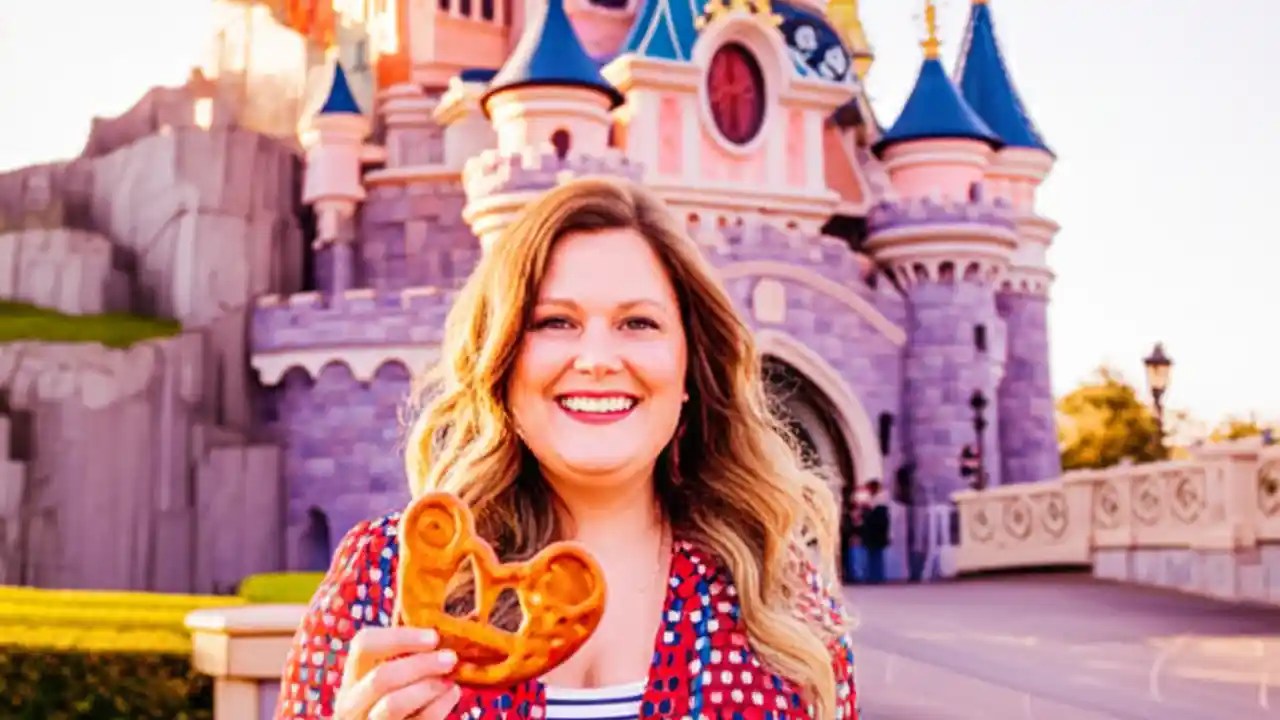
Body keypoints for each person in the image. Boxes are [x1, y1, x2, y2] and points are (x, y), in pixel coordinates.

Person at [273, 177, 859, 719]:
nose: (599, 359)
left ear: (689, 370)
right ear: (501, 362)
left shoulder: (781, 604)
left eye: (639, 324)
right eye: (555, 322)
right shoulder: (382, 578)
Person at [857, 480, 890, 585]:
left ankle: (875, 576)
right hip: (875, 535)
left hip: (875, 534)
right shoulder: (876, 502)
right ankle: (875, 576)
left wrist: (866, 513)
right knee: (874, 556)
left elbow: (876, 520)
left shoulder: (879, 503)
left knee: (875, 556)